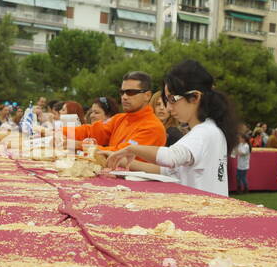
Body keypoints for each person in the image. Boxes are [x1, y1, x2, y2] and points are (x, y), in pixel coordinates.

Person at [104, 61, 237, 197]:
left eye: (172, 99)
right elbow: (165, 170)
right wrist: (123, 160)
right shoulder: (209, 130)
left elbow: (170, 157)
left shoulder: (205, 132)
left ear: (195, 97)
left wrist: (131, 149)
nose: (168, 107)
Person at [70, 72, 166, 152]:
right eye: (122, 92)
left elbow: (121, 153)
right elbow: (91, 131)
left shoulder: (153, 128)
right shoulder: (119, 119)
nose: (124, 97)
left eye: (130, 92)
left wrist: (80, 145)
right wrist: (59, 133)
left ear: (147, 95)